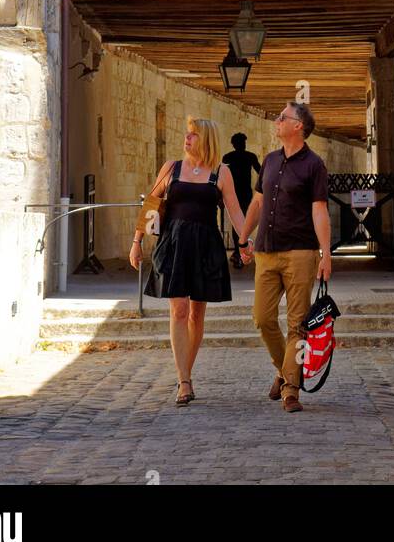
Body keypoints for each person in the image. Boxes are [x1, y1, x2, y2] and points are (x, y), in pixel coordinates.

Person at [129, 117, 248, 405]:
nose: (187, 138)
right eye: (187, 133)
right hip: (174, 243)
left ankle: (186, 371)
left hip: (206, 245)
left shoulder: (221, 173)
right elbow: (151, 204)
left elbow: (235, 210)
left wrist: (245, 242)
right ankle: (184, 380)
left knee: (196, 314)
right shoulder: (172, 168)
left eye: (193, 135)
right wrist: (137, 241)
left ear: (206, 139)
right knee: (179, 310)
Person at [237, 100, 331, 413]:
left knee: (297, 324)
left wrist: (325, 254)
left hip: (301, 253)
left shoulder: (314, 165)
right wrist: (243, 237)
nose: (276, 121)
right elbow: (257, 203)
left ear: (298, 126)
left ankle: (291, 390)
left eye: (282, 117)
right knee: (262, 319)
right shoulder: (270, 160)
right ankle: (283, 370)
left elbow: (319, 210)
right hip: (265, 250)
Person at [222, 133, 261, 268]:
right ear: (235, 144)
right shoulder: (236, 157)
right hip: (237, 193)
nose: (242, 145)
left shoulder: (231, 157)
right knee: (240, 222)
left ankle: (240, 249)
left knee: (240, 223)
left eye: (243, 142)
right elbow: (261, 172)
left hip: (242, 194)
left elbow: (260, 173)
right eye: (240, 143)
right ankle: (240, 250)